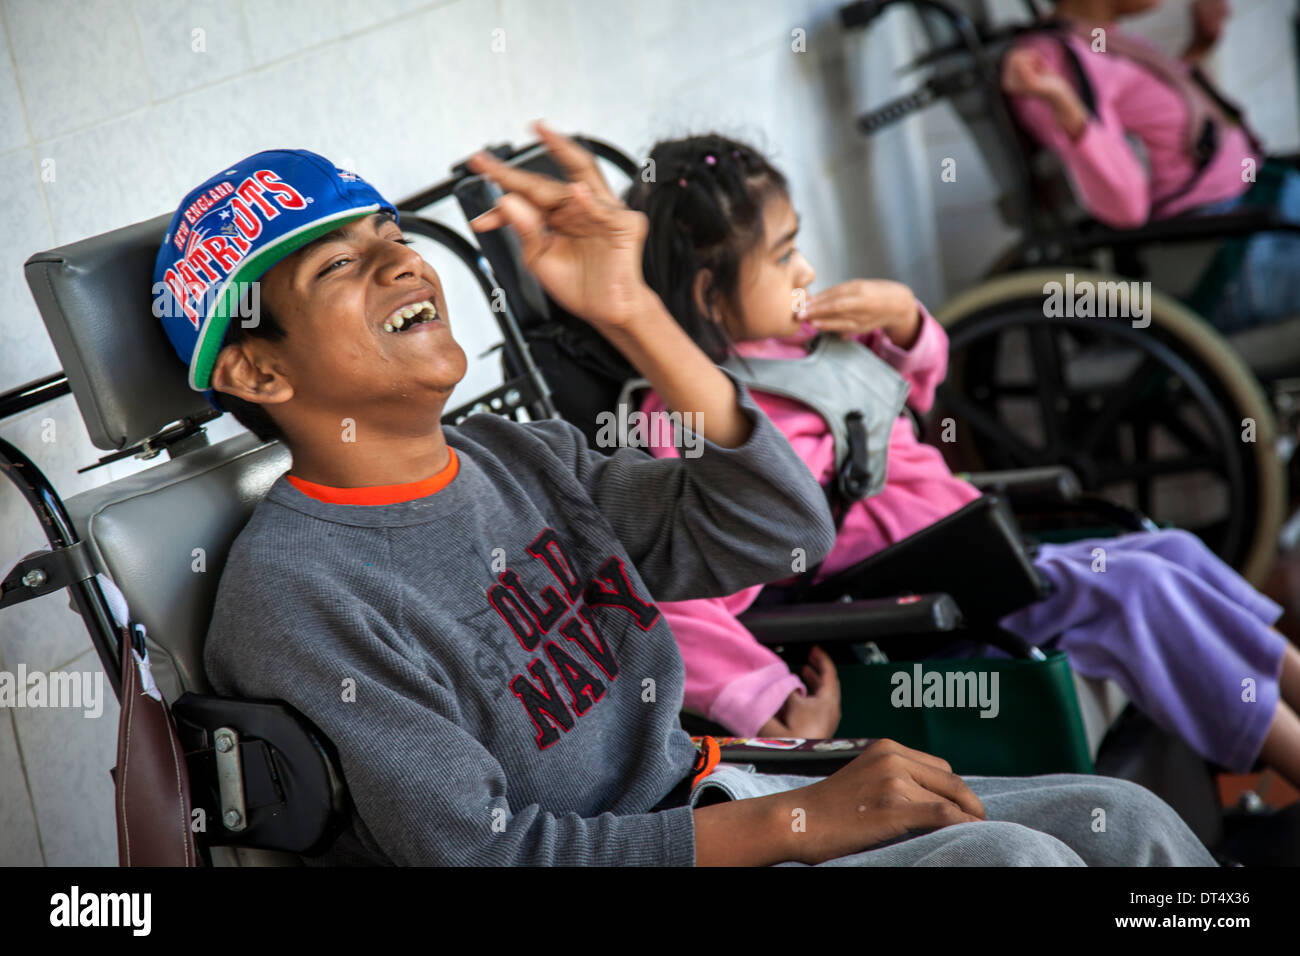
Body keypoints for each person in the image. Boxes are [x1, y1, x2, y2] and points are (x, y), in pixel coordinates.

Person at [154, 124, 1216, 866]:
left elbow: (776, 528)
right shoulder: (299, 592)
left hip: (719, 796)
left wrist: (635, 318)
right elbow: (487, 853)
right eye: (341, 267)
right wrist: (800, 821)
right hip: (692, 845)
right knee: (1010, 861)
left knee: (1117, 818)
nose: (399, 265)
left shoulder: (521, 457)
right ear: (257, 373)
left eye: (392, 239)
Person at [628, 132, 1300, 792]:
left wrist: (904, 324)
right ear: (708, 295)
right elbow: (681, 590)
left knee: (1170, 552)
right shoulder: (687, 418)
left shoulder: (805, 338)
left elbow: (914, 390)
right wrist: (761, 692)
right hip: (910, 604)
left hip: (974, 551)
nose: (806, 270)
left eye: (797, 244)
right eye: (782, 257)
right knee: (1139, 590)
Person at [1001, 0, 1300, 333]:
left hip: (1259, 205)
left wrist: (1200, 46)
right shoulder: (1051, 65)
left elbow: (1158, 122)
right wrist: (1064, 104)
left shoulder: (1094, 38)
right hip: (1222, 252)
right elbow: (1125, 207)